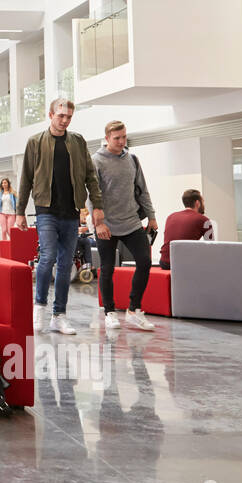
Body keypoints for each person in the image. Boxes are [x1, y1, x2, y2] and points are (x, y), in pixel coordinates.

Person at [16, 98, 106, 335]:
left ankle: (59, 316)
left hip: (71, 212)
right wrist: (20, 212)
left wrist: (97, 206)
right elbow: (25, 178)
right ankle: (39, 308)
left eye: (68, 117)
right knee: (47, 257)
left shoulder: (77, 142)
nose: (64, 120)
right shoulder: (35, 142)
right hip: (46, 210)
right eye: (60, 116)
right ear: (50, 115)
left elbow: (90, 176)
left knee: (66, 264)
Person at [91, 121, 157, 331]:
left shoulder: (132, 159)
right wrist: (98, 223)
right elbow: (91, 195)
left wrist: (152, 217)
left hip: (131, 221)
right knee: (108, 268)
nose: (121, 142)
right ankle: (110, 312)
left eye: (124, 137)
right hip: (106, 225)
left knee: (145, 262)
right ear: (107, 138)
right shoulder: (96, 161)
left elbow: (142, 190)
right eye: (117, 138)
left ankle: (133, 310)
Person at [159, 189, 214, 270]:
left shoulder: (171, 216)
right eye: (203, 201)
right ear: (197, 203)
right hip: (183, 263)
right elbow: (211, 247)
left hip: (164, 263)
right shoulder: (204, 219)